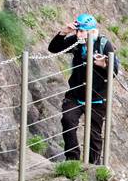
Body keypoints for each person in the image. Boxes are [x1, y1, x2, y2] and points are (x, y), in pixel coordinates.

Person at [48, 14, 120, 163]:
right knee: (68, 120)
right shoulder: (76, 41)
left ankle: (94, 165)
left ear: (92, 31)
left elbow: (114, 72)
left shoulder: (104, 44)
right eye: (78, 31)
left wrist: (104, 64)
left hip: (98, 97)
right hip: (76, 93)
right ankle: (72, 160)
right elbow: (53, 49)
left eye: (82, 31)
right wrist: (64, 31)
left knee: (94, 133)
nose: (79, 34)